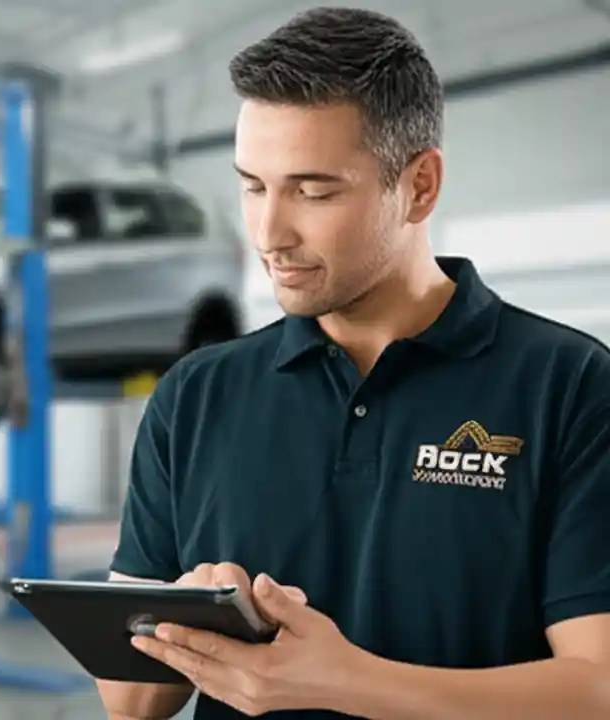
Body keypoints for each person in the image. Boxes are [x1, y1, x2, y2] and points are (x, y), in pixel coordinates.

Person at [97, 7, 610, 720]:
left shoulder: (571, 385)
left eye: (313, 191)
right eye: (252, 185)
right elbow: (129, 702)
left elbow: (598, 688)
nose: (270, 232)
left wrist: (346, 682)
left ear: (420, 186)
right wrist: (196, 617)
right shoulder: (195, 395)